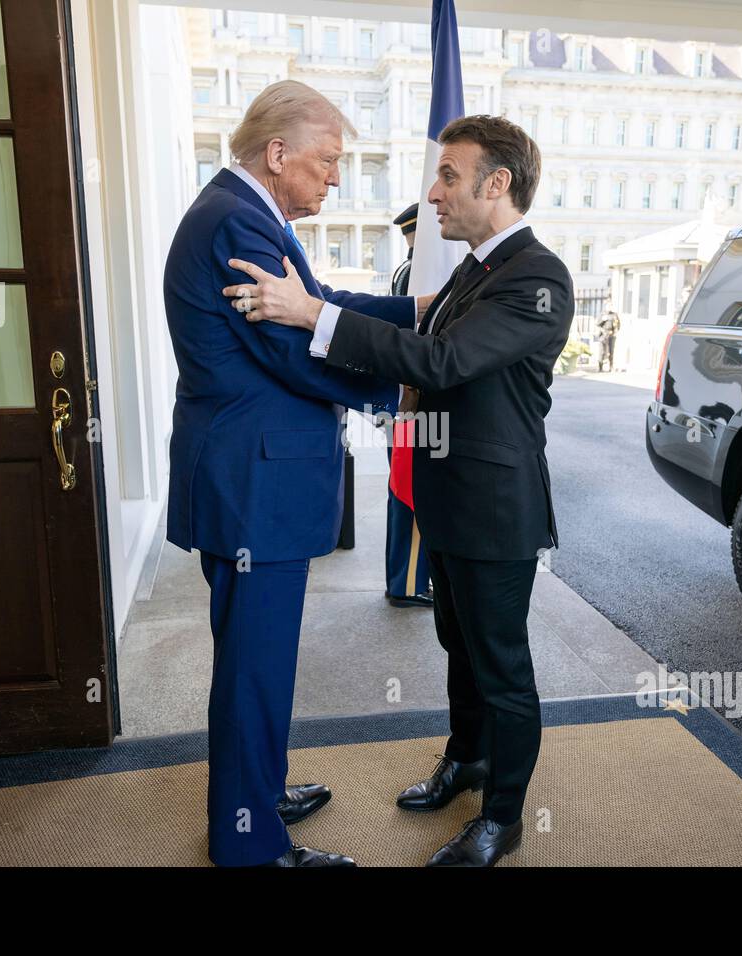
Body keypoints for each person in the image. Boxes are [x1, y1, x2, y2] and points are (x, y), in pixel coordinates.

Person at [224, 115, 574, 866]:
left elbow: (442, 360)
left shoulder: (537, 277)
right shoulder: (477, 268)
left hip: (496, 509)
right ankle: (468, 760)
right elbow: (416, 336)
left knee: (502, 665)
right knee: (458, 644)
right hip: (450, 498)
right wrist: (325, 306)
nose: (434, 192)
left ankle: (502, 820)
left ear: (498, 183)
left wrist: (314, 314)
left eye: (449, 175)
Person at [162, 80, 424, 867]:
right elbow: (293, 347)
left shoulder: (239, 211)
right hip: (254, 488)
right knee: (253, 665)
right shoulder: (238, 221)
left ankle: (261, 788)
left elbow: (314, 304)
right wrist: (406, 383)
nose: (336, 178)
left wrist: (418, 312)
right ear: (278, 155)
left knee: (258, 657)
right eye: (328, 161)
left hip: (248, 479)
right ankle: (248, 844)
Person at [384, 202, 433, 609]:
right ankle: (409, 581)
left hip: (402, 396)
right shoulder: (424, 273)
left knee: (403, 490)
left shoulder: (405, 269)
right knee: (414, 492)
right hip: (415, 400)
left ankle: (403, 575)